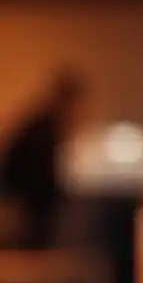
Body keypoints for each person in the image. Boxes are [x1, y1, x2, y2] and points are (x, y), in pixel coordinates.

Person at [1, 68, 86, 248]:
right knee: (34, 244)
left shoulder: (40, 124)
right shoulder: (45, 128)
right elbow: (41, 169)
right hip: (31, 197)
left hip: (27, 195)